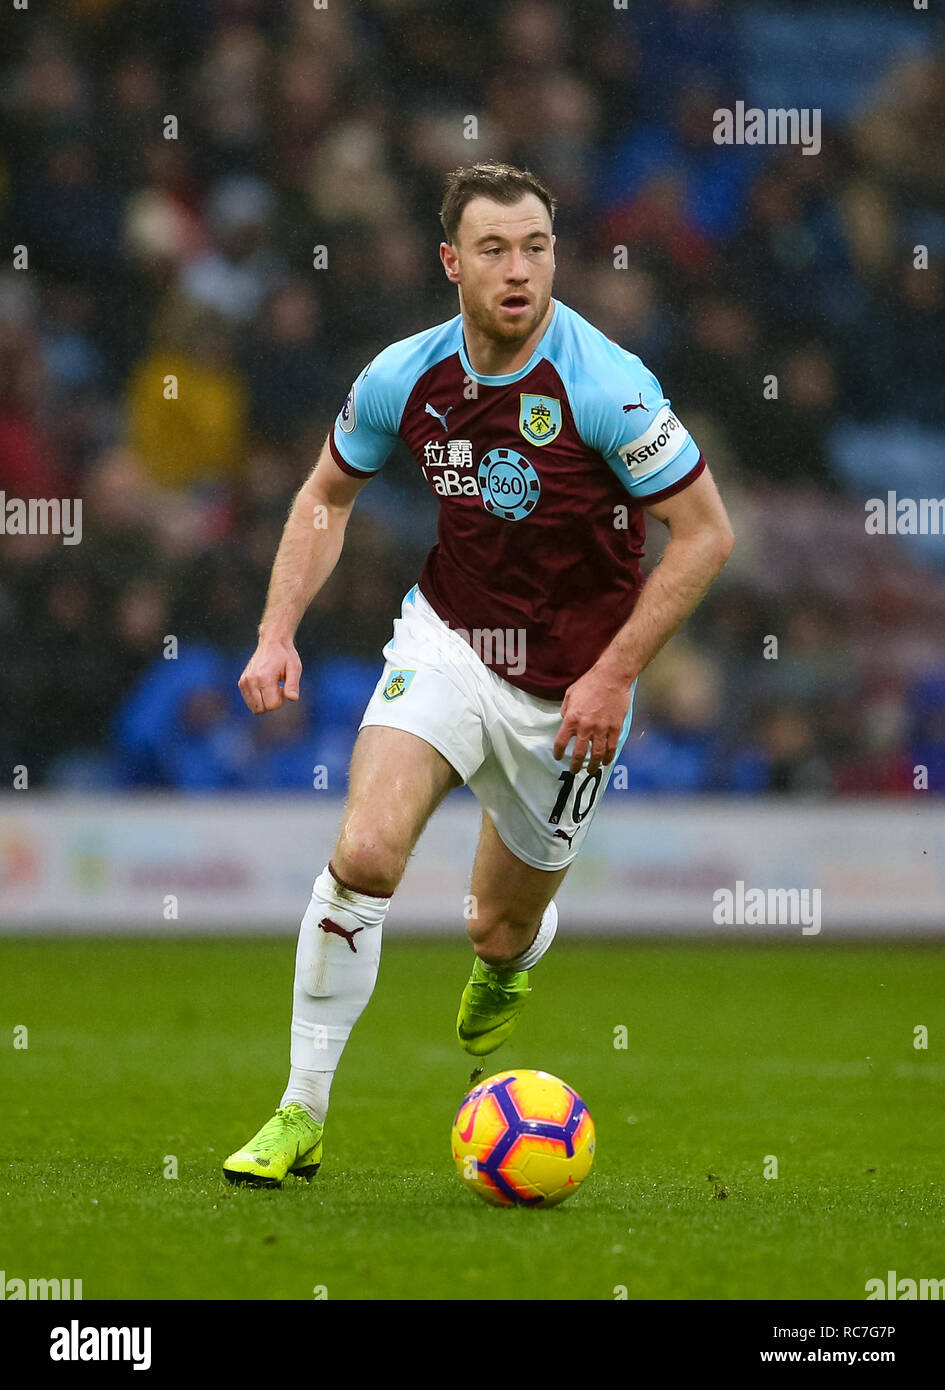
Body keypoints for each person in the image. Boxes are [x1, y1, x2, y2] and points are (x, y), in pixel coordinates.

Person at [223, 162, 733, 1187]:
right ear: (451, 263)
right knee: (365, 851)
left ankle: (513, 959)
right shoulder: (404, 376)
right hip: (449, 642)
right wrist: (278, 630)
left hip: (573, 690)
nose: (519, 269)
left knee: (494, 925)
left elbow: (706, 536)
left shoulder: (606, 383)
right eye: (495, 250)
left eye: (537, 247)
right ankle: (299, 1111)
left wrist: (617, 673)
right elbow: (327, 493)